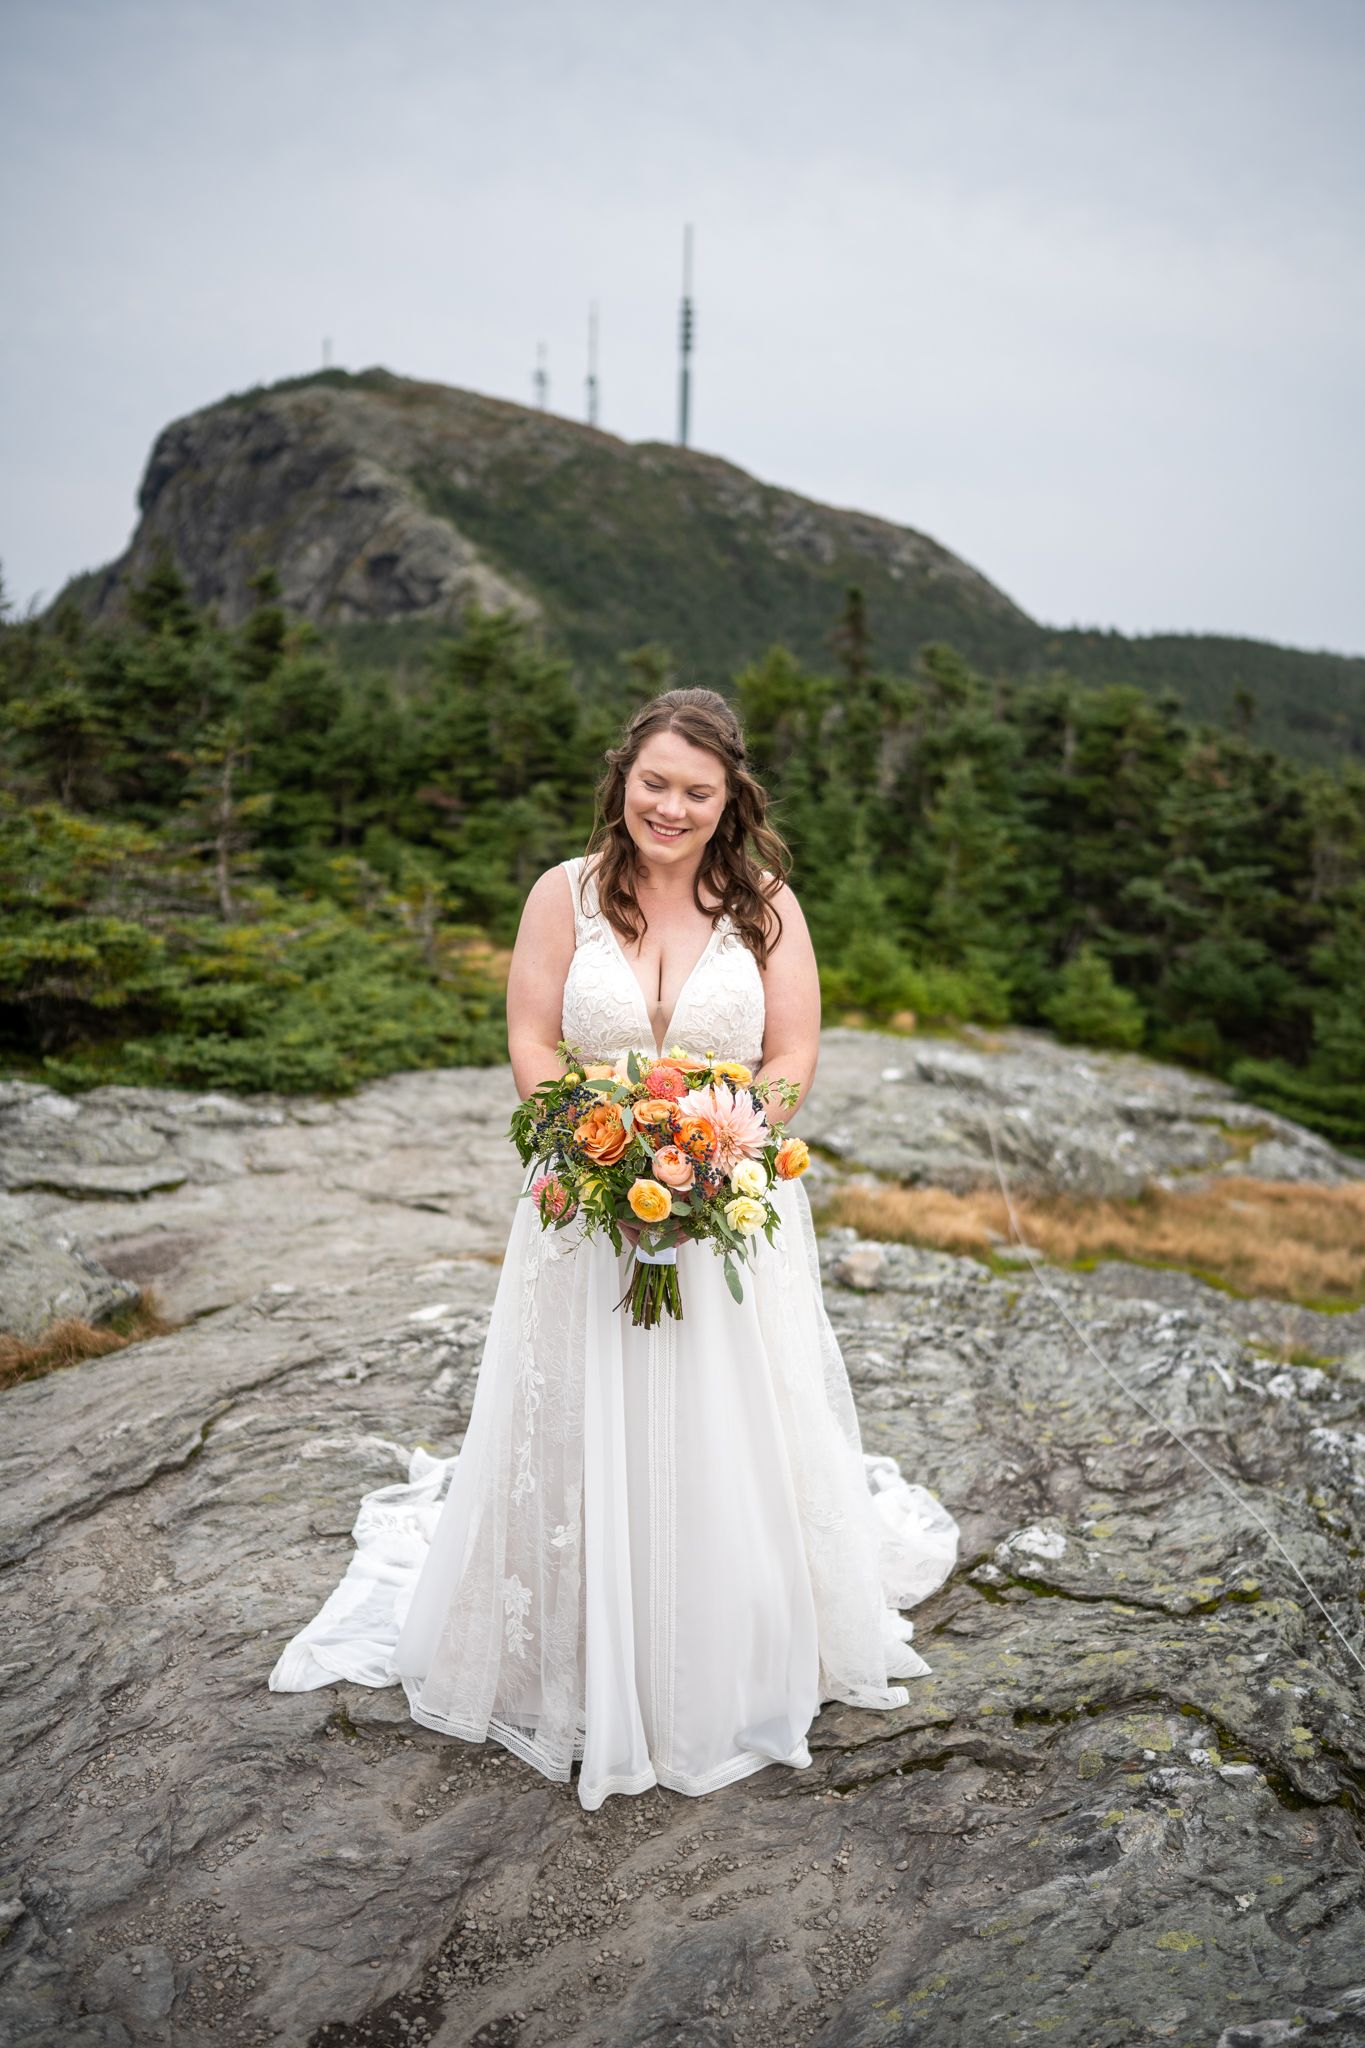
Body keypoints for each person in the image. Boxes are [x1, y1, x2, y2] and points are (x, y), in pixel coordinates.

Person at [269, 687, 959, 1808]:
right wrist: (585, 1151)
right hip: (578, 1200)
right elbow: (532, 1036)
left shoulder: (768, 905)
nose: (671, 807)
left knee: (718, 1416)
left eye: (696, 789)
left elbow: (793, 1053)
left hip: (725, 1203)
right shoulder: (566, 893)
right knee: (581, 1411)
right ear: (622, 780)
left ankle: (713, 1648)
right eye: (655, 783)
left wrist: (721, 1146)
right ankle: (570, 1649)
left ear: (730, 795)